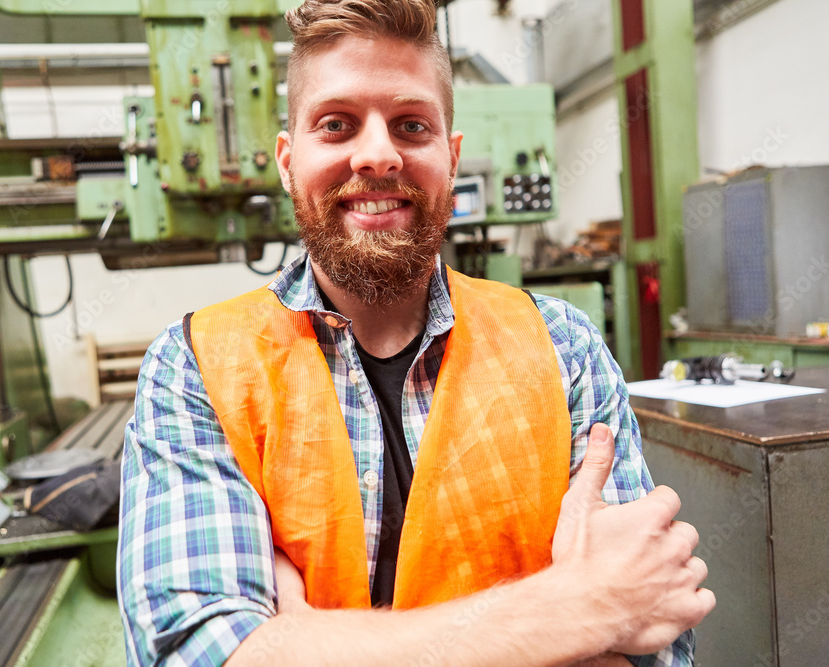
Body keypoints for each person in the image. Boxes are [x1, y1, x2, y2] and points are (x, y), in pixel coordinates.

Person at [118, 1, 715, 665]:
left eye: (410, 125)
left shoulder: (562, 348)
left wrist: (299, 636)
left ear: (451, 158)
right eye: (337, 124)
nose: (377, 155)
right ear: (288, 161)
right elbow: (199, 652)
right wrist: (572, 608)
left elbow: (656, 636)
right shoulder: (196, 366)